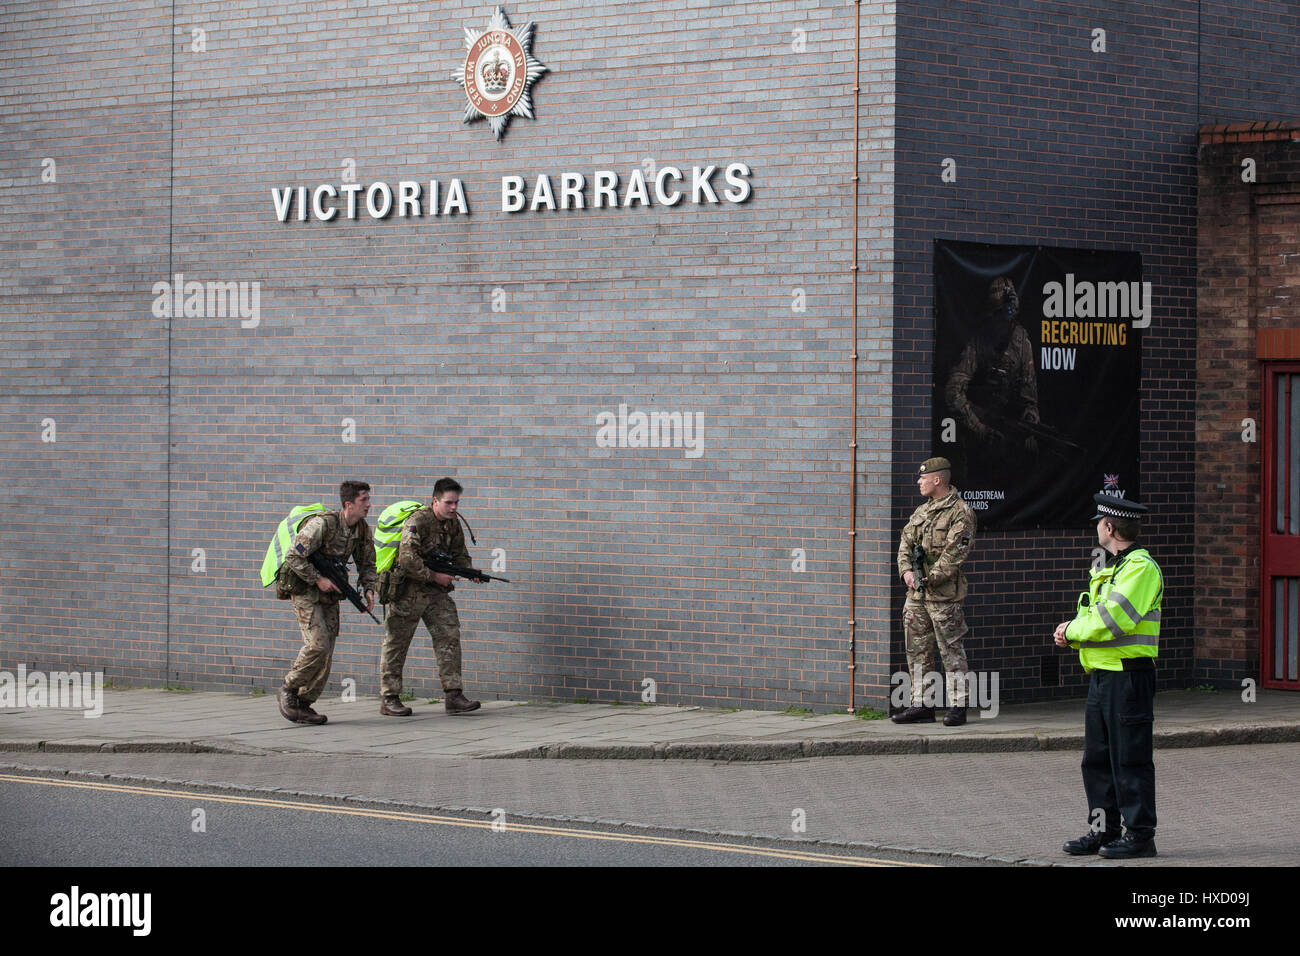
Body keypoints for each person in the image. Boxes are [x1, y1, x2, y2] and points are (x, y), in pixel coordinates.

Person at [1056, 493, 1162, 859]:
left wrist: (1070, 631)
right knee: (1097, 759)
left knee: (1129, 758)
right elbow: (1095, 617)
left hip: (1128, 679)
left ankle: (1139, 836)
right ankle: (1102, 830)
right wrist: (1074, 630)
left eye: (1099, 523)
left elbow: (1112, 622)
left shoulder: (1140, 569)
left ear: (1110, 527)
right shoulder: (1115, 569)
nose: (1097, 528)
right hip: (1103, 676)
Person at [277, 480, 379, 725]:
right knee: (318, 644)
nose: (368, 505)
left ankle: (304, 703)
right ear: (348, 504)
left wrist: (368, 589)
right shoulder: (322, 525)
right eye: (363, 500)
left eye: (368, 499)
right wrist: (318, 578)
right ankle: (289, 689)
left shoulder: (362, 530)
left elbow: (368, 563)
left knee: (327, 651)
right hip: (305, 590)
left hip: (330, 593)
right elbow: (293, 556)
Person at [378, 477, 482, 716]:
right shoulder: (418, 522)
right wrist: (435, 576)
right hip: (408, 592)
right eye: (448, 502)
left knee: (449, 636)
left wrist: (468, 571)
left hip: (436, 594)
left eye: (456, 502)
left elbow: (459, 553)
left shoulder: (453, 524)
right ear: (435, 501)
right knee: (397, 642)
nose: (454, 507)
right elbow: (407, 558)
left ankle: (453, 695)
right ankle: (390, 697)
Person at [894, 457, 977, 726]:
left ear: (938, 480)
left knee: (951, 651)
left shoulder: (960, 512)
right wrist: (907, 572)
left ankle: (958, 705)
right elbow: (904, 544)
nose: (919, 482)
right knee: (917, 651)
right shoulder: (922, 511)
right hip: (916, 596)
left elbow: (956, 553)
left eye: (923, 478)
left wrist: (930, 577)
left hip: (943, 596)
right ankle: (922, 704)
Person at [945, 276, 1041, 481]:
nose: (1006, 320)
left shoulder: (1021, 340)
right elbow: (953, 391)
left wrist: (1030, 427)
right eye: (1002, 314)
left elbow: (1029, 396)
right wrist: (979, 428)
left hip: (1008, 436)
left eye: (1010, 314)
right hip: (979, 436)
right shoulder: (979, 340)